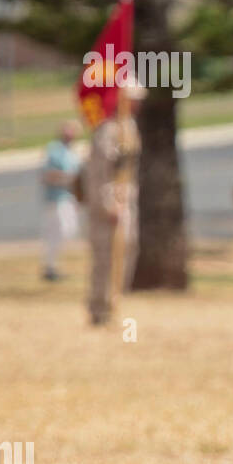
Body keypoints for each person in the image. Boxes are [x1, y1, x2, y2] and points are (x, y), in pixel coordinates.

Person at [86, 83, 145, 326]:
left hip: (127, 201)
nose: (137, 103)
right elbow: (98, 174)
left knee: (127, 250)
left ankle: (115, 301)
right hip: (108, 205)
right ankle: (99, 309)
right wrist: (108, 205)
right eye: (133, 99)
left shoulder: (129, 127)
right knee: (105, 257)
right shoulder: (108, 131)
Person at [40, 120, 82, 281]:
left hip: (69, 198)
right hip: (55, 198)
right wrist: (67, 178)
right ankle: (50, 268)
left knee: (68, 231)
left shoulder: (73, 153)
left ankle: (52, 266)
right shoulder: (54, 150)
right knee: (57, 232)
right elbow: (47, 174)